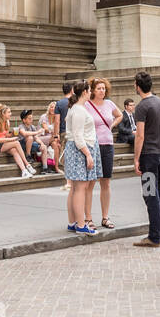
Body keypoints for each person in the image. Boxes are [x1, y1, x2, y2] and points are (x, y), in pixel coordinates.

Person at [132, 71, 160, 248]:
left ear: (137, 86)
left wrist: (136, 159)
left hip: (148, 156)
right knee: (158, 195)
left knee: (150, 195)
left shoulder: (142, 107)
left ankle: (154, 236)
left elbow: (140, 136)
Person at [85, 76, 122, 229]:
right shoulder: (87, 105)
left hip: (107, 144)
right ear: (92, 90)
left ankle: (105, 217)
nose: (102, 91)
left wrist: (111, 125)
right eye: (99, 88)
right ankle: (88, 218)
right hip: (92, 145)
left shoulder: (109, 103)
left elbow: (120, 115)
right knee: (90, 183)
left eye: (104, 88)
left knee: (106, 181)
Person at [64, 83, 100, 234]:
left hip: (77, 149)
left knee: (75, 188)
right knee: (80, 188)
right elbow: (78, 136)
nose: (91, 92)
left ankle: (74, 222)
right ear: (85, 92)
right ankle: (80, 224)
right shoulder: (78, 110)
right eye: (90, 90)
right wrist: (88, 154)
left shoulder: (76, 109)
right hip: (80, 149)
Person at [0, 104, 35, 178]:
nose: (11, 114)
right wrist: (10, 139)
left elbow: (6, 135)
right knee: (16, 143)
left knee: (14, 150)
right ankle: (27, 164)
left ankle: (24, 171)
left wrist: (12, 133)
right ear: (3, 114)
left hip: (4, 144)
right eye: (9, 112)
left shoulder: (7, 122)